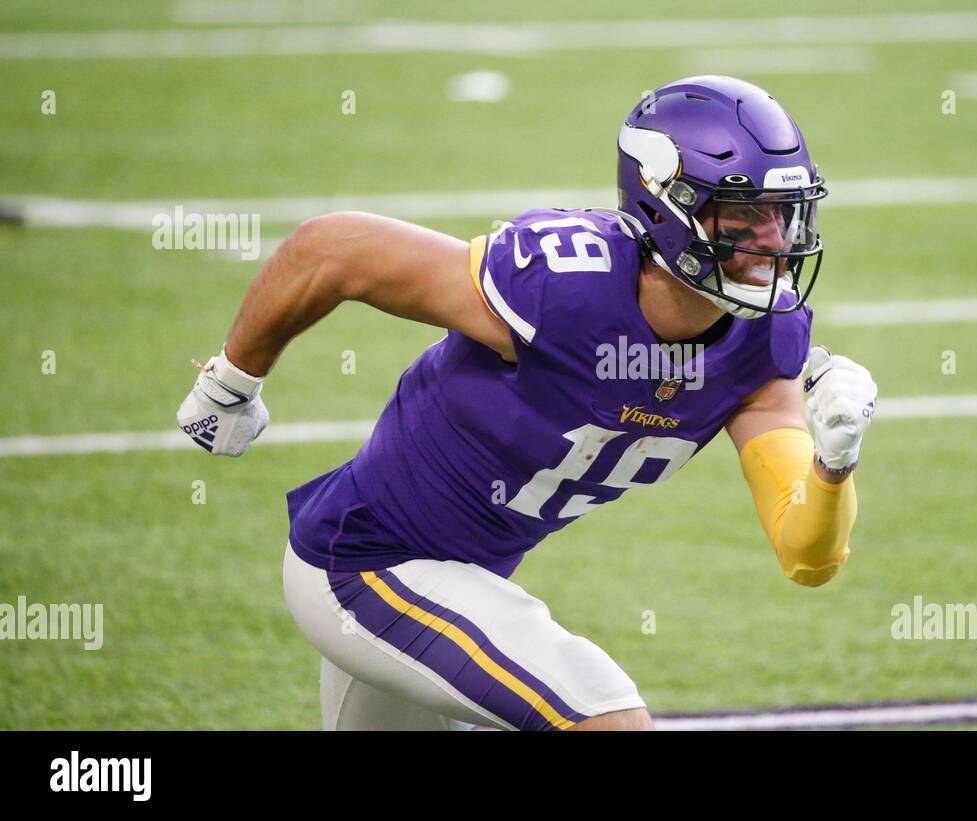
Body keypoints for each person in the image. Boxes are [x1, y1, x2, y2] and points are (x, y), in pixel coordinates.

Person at [176, 75, 878, 731]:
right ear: (667, 203)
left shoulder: (764, 338)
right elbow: (331, 250)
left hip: (453, 582)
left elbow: (805, 553)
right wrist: (229, 384)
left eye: (785, 216)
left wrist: (834, 464)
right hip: (364, 560)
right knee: (606, 717)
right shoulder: (568, 286)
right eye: (745, 215)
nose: (774, 244)